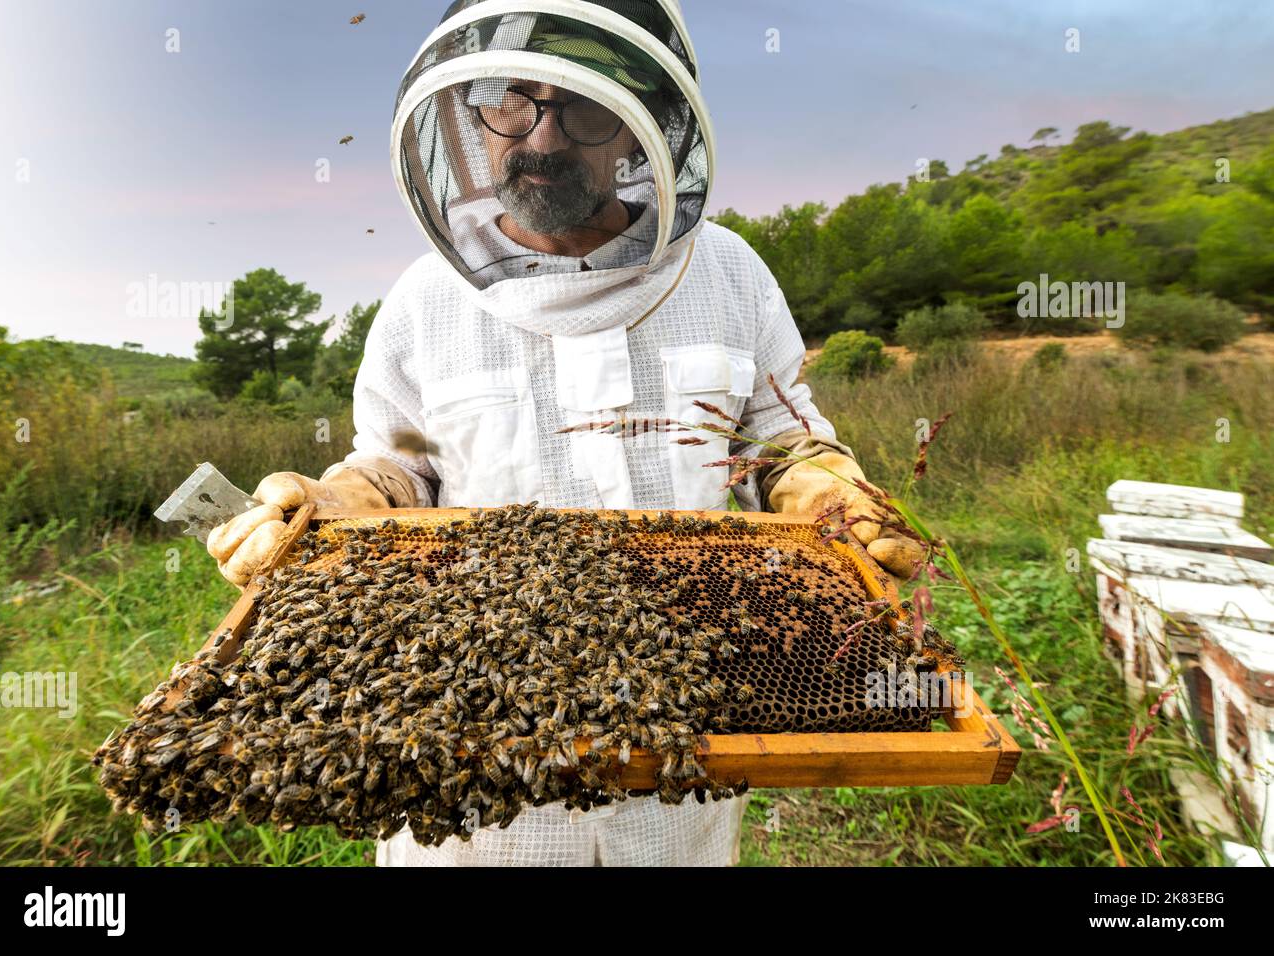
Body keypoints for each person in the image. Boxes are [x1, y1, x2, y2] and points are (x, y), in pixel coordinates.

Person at [206, 0, 921, 866]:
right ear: (471, 116)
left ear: (640, 130)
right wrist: (328, 501)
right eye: (509, 102)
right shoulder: (423, 302)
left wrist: (823, 486)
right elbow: (398, 470)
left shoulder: (728, 271)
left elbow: (781, 439)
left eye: (581, 109)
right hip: (475, 786)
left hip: (679, 767)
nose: (538, 139)